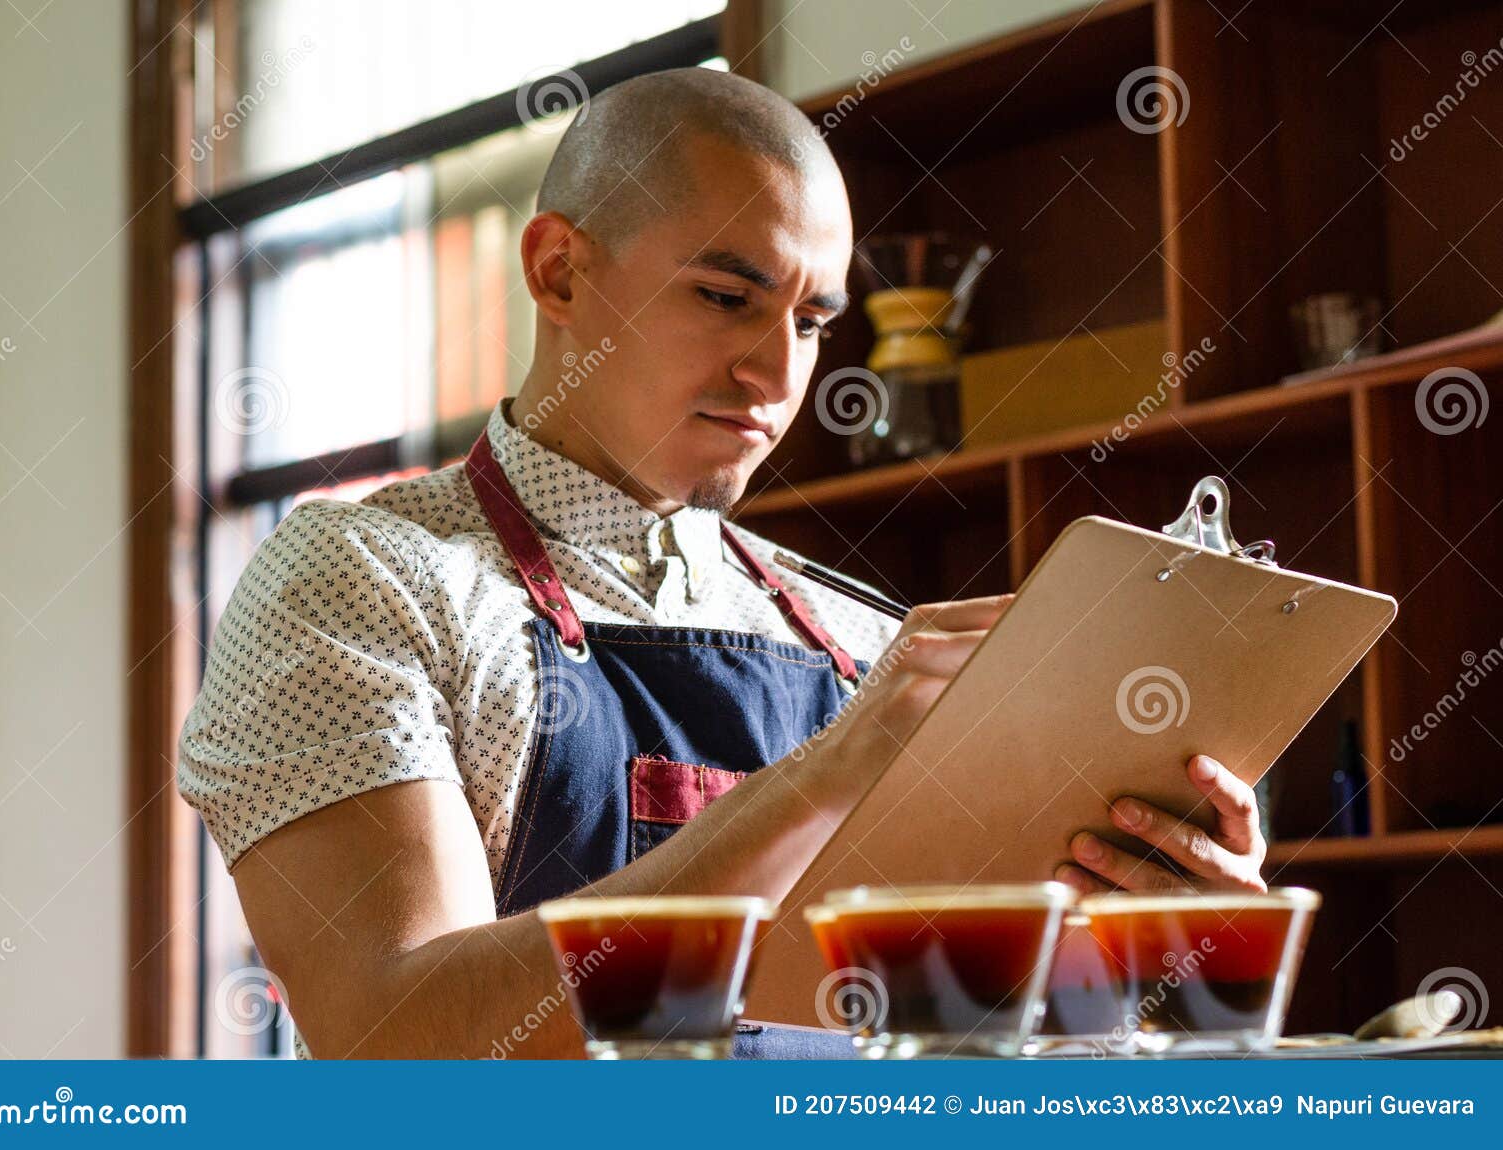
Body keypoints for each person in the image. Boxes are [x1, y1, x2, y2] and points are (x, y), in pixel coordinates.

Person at [177, 67, 1266, 1060]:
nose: (774, 372)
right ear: (558, 272)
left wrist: (1163, 947)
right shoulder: (361, 579)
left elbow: (1002, 1058)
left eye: (811, 320)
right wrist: (813, 782)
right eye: (726, 296)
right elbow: (398, 1044)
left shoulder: (861, 642)